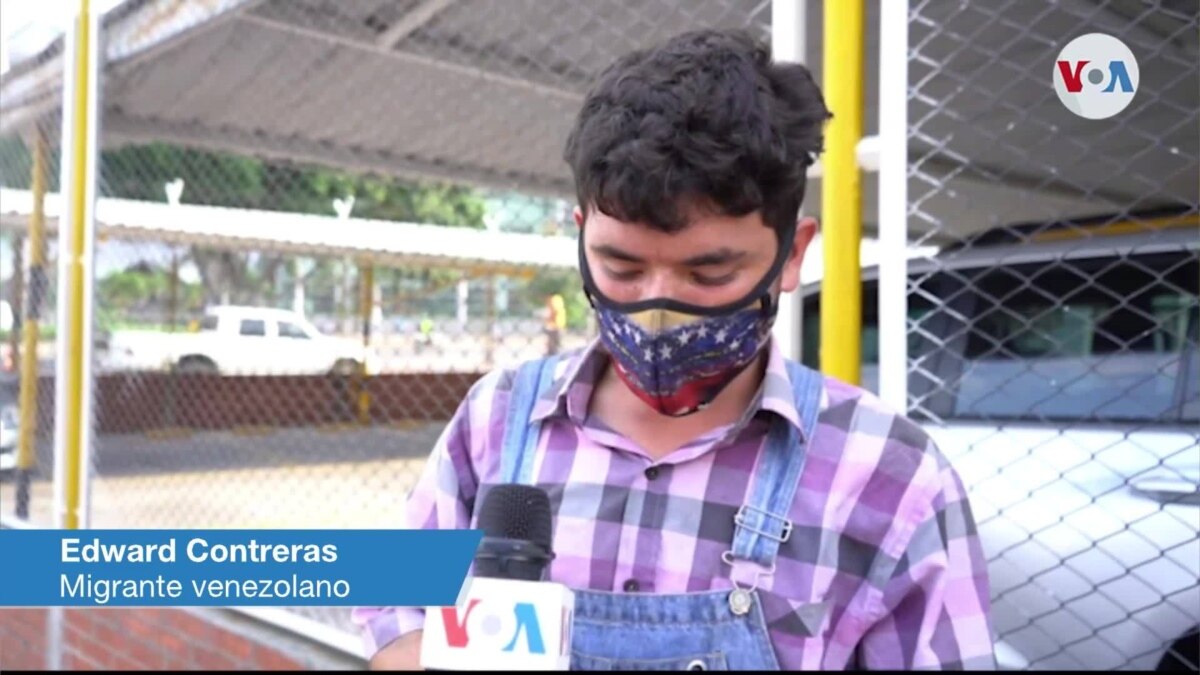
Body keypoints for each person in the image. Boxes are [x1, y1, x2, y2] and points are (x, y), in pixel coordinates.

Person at [353, 29, 995, 670]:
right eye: (621, 267)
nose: (657, 314)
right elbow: (393, 608)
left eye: (709, 275)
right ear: (582, 239)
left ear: (791, 256)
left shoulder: (890, 477)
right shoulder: (495, 419)